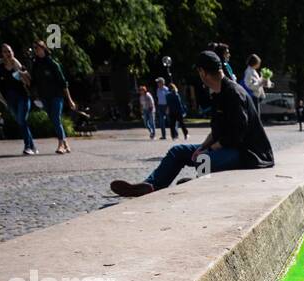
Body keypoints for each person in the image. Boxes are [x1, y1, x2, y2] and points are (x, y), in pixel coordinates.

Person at [110, 50, 274, 198]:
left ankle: (200, 185)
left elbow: (237, 135)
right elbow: (216, 131)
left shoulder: (234, 94)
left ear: (203, 72)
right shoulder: (218, 94)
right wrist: (202, 146)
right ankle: (151, 185)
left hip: (250, 153)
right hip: (231, 146)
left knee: (205, 158)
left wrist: (208, 149)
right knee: (178, 152)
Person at [0, 45, 35, 154]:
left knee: (22, 120)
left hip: (23, 96)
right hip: (10, 99)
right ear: (2, 54)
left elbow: (29, 82)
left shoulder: (18, 66)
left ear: (12, 52)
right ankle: (32, 146)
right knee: (21, 122)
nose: (7, 54)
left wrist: (23, 74)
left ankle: (27, 147)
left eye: (9, 51)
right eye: (5, 52)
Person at [31, 40, 75, 154]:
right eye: (34, 48)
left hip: (57, 96)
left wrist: (70, 100)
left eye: (38, 47)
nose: (36, 50)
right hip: (44, 97)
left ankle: (60, 144)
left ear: (44, 48)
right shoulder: (35, 65)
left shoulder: (53, 64)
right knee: (54, 120)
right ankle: (65, 143)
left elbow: (63, 83)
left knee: (55, 118)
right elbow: (33, 82)